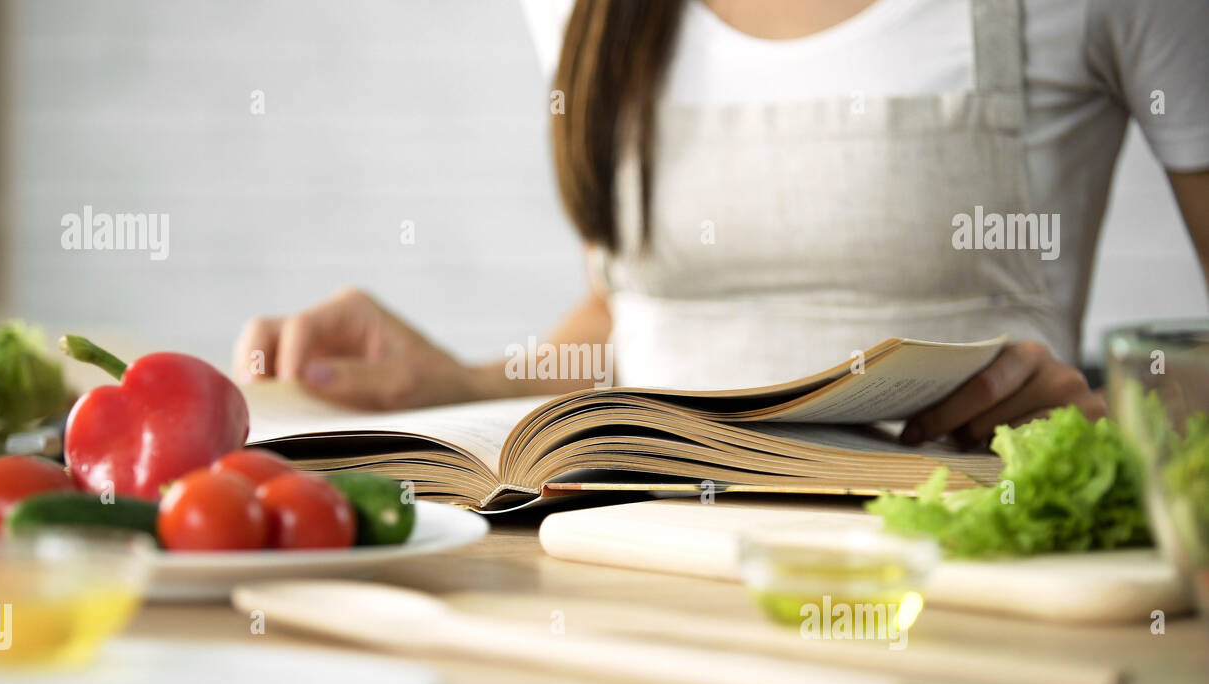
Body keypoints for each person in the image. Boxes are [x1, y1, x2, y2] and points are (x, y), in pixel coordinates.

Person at [234, 0, 1209, 447]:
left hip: (957, 582)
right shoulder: (578, 10)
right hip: (644, 571)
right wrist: (453, 378)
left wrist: (1122, 433)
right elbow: (637, 318)